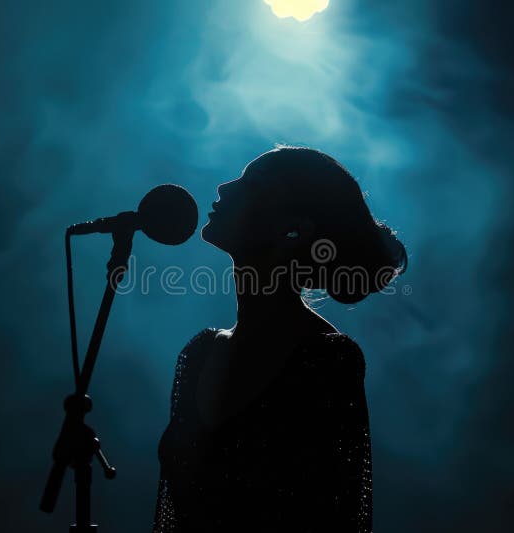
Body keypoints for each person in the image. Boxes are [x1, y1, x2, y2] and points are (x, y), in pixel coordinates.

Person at [153, 146, 407, 532]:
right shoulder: (199, 353)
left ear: (293, 230)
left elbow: (338, 517)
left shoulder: (325, 360)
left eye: (252, 184)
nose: (224, 187)